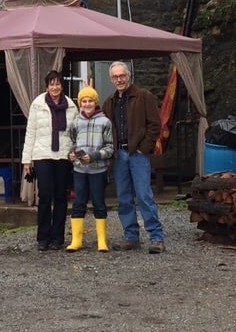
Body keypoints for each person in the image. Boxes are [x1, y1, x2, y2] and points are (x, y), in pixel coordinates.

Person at [102, 61, 165, 254]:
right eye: (115, 77)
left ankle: (156, 237)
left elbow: (155, 124)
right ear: (111, 79)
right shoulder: (109, 102)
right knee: (124, 197)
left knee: (144, 195)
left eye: (122, 76)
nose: (119, 80)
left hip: (137, 155)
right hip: (119, 155)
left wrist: (143, 148)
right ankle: (131, 236)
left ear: (128, 76)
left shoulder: (144, 96)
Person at [21, 70, 77, 251]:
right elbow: (31, 133)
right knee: (45, 195)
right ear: (47, 86)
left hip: (63, 155)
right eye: (51, 84)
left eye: (58, 84)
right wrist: (27, 160)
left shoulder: (70, 106)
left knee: (61, 196)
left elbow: (75, 133)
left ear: (62, 85)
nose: (55, 87)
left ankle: (57, 237)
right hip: (42, 155)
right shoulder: (37, 104)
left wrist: (75, 153)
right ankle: (43, 237)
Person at [65, 85, 114, 253]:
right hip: (79, 170)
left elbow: (109, 148)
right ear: (80, 103)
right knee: (78, 203)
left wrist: (93, 156)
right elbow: (72, 144)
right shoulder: (75, 123)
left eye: (90, 100)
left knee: (99, 203)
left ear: (95, 102)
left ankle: (101, 240)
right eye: (83, 101)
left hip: (98, 170)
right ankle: (76, 240)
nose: (87, 104)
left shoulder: (105, 122)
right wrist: (71, 154)